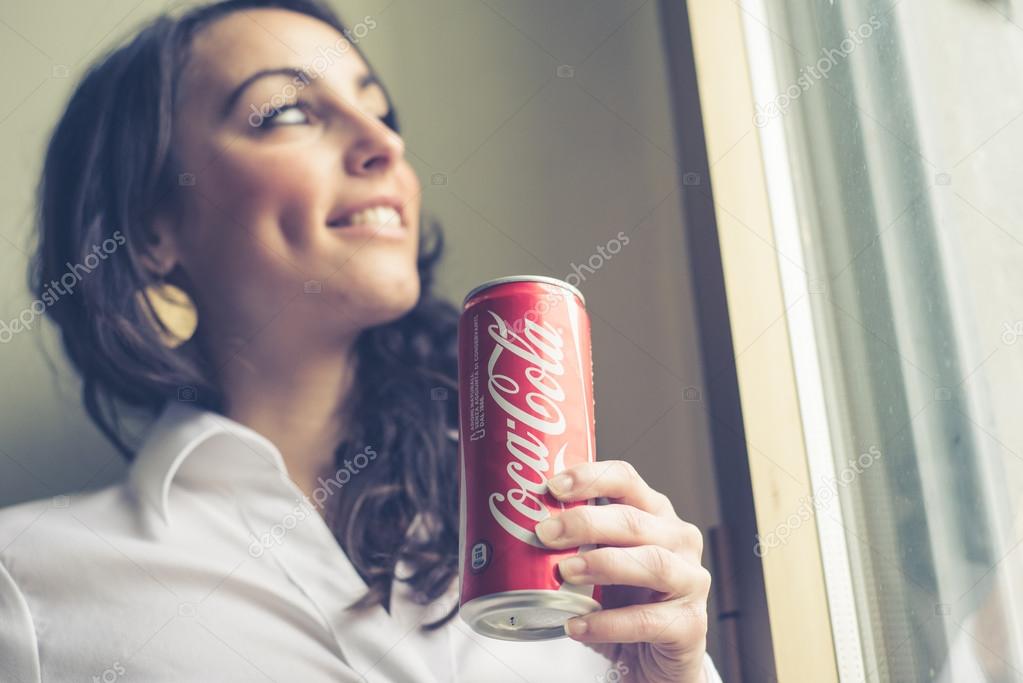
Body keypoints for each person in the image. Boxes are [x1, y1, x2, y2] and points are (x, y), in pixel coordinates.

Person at [0, 1, 722, 680]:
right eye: (287, 112)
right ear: (153, 227)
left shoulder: (548, 547)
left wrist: (670, 673)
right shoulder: (28, 580)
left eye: (378, 111)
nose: (383, 142)